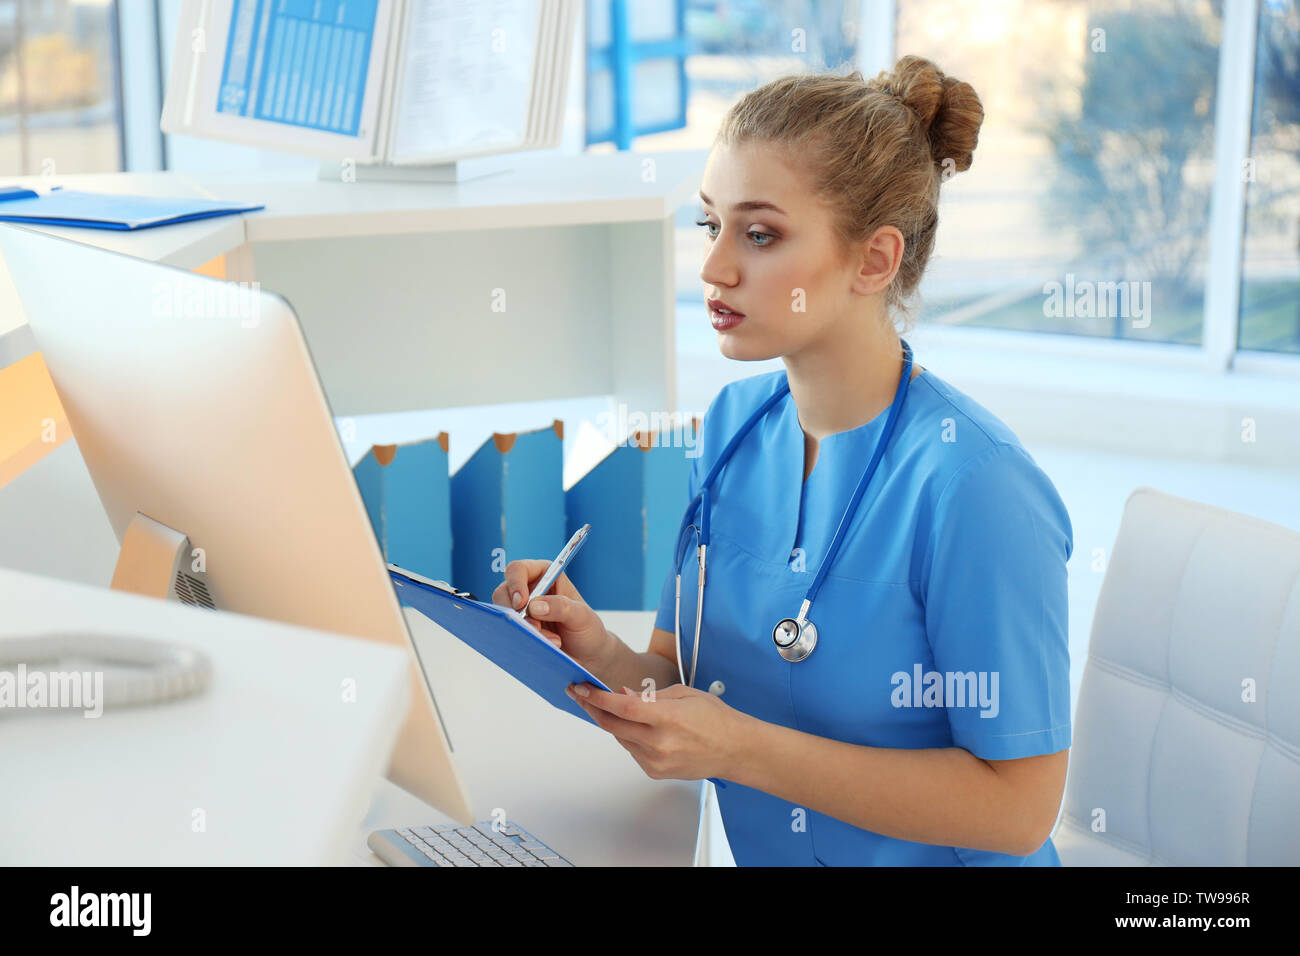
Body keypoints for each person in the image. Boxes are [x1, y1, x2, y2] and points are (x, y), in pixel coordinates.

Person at [492, 55, 1073, 866]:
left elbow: (1020, 811)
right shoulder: (733, 429)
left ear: (873, 261)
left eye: (759, 234)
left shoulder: (976, 487)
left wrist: (742, 753)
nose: (714, 267)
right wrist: (594, 648)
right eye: (711, 224)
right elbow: (682, 675)